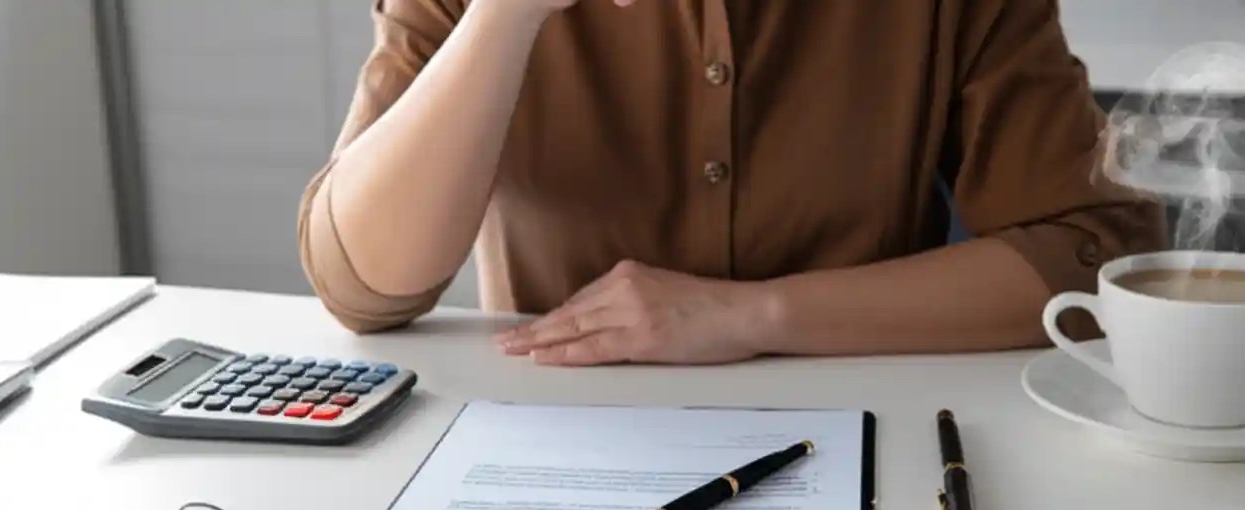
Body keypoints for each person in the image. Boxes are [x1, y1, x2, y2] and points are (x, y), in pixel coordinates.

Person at [298, 0, 1166, 366]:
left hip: (870, 434)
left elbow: (1095, 254)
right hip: (548, 435)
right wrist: (506, 13)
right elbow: (362, 286)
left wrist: (752, 315)